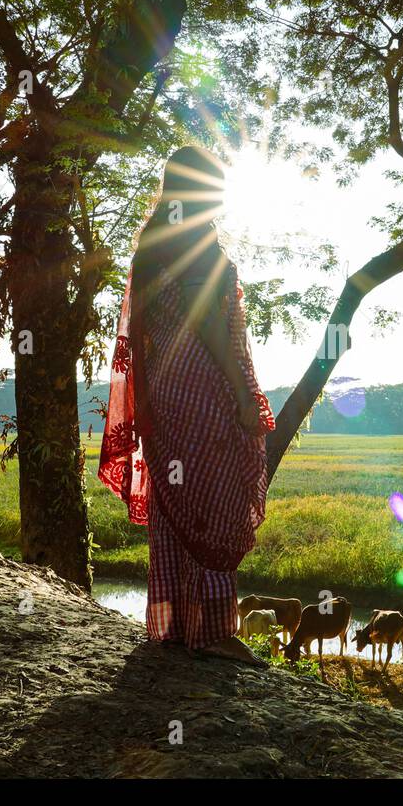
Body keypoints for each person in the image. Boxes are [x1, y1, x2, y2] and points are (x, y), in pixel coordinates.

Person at [98, 146, 275, 664]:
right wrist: (243, 392)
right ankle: (215, 631)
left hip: (164, 398)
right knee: (217, 506)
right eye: (213, 185)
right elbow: (208, 325)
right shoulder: (196, 244)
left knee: (177, 506)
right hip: (203, 391)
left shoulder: (153, 245)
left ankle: (174, 626)